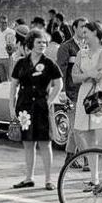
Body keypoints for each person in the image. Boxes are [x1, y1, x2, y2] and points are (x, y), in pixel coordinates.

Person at [9, 29, 63, 190]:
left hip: (41, 107)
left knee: (45, 143)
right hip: (24, 108)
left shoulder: (49, 64)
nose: (42, 45)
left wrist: (49, 100)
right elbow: (13, 86)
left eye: (44, 43)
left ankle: (48, 179)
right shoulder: (21, 63)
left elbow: (59, 84)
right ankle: (28, 178)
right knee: (28, 143)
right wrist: (11, 107)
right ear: (31, 43)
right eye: (39, 42)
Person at [71, 22, 102, 158]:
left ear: (95, 32)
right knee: (89, 143)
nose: (83, 37)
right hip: (84, 98)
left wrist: (84, 75)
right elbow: (74, 78)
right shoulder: (81, 53)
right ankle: (94, 179)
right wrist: (89, 74)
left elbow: (100, 75)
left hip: (99, 98)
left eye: (85, 33)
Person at [57, 17, 88, 167]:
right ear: (74, 28)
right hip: (72, 93)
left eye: (86, 27)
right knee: (78, 127)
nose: (84, 29)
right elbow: (60, 71)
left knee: (78, 126)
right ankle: (87, 158)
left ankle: (70, 157)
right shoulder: (66, 47)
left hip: (87, 92)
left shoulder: (89, 46)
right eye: (82, 26)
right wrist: (62, 91)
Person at [0, 15, 15, 83]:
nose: (4, 24)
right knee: (3, 79)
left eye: (5, 22)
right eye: (2, 22)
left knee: (10, 78)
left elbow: (13, 46)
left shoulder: (11, 32)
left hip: (8, 58)